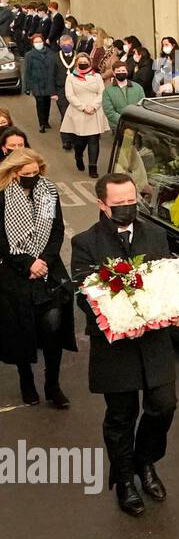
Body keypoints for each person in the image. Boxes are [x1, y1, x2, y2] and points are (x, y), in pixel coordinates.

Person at [71, 174, 179, 517]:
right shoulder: (85, 242)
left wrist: (177, 308)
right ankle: (125, 479)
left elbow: (168, 281)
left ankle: (145, 462)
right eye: (119, 204)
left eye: (131, 200)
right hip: (115, 346)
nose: (127, 208)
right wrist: (121, 315)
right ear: (102, 204)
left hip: (153, 342)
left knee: (164, 405)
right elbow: (86, 295)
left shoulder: (156, 235)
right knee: (121, 415)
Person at [0, 148, 75, 408]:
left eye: (35, 172)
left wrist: (44, 260)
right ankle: (26, 380)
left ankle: (52, 384)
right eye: (26, 174)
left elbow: (56, 229)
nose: (32, 177)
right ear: (14, 172)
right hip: (15, 272)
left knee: (53, 327)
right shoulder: (3, 196)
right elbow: (1, 241)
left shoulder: (47, 192)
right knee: (22, 331)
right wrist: (28, 263)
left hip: (48, 270)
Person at [61, 52, 109, 177]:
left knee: (94, 140)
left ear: (89, 63)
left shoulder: (97, 76)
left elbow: (102, 93)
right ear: (76, 63)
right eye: (80, 62)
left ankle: (93, 167)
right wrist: (83, 107)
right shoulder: (71, 77)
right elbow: (69, 95)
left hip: (94, 111)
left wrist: (93, 106)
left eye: (85, 62)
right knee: (80, 141)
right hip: (78, 112)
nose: (83, 64)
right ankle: (78, 156)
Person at [22, 31, 56, 134]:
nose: (38, 43)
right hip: (36, 83)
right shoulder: (29, 55)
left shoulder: (50, 53)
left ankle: (46, 120)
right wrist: (27, 87)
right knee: (40, 103)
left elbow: (54, 68)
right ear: (33, 43)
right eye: (36, 42)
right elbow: (27, 72)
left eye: (40, 41)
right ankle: (42, 123)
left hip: (48, 82)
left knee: (47, 103)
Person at [103, 61, 145, 130]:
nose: (121, 72)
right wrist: (124, 121)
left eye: (123, 70)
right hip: (117, 127)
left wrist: (135, 121)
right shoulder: (108, 90)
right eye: (118, 71)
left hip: (136, 126)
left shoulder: (138, 87)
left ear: (127, 72)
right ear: (113, 73)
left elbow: (142, 105)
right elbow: (109, 111)